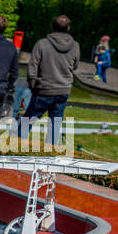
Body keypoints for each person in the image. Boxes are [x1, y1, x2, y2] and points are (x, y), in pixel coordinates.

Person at [25, 15, 81, 146]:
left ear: (52, 27)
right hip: (63, 89)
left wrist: (33, 85)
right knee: (55, 125)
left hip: (44, 88)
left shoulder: (42, 44)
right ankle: (50, 152)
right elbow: (75, 66)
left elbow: (32, 66)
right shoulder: (75, 46)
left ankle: (15, 150)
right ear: (68, 28)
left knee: (26, 123)